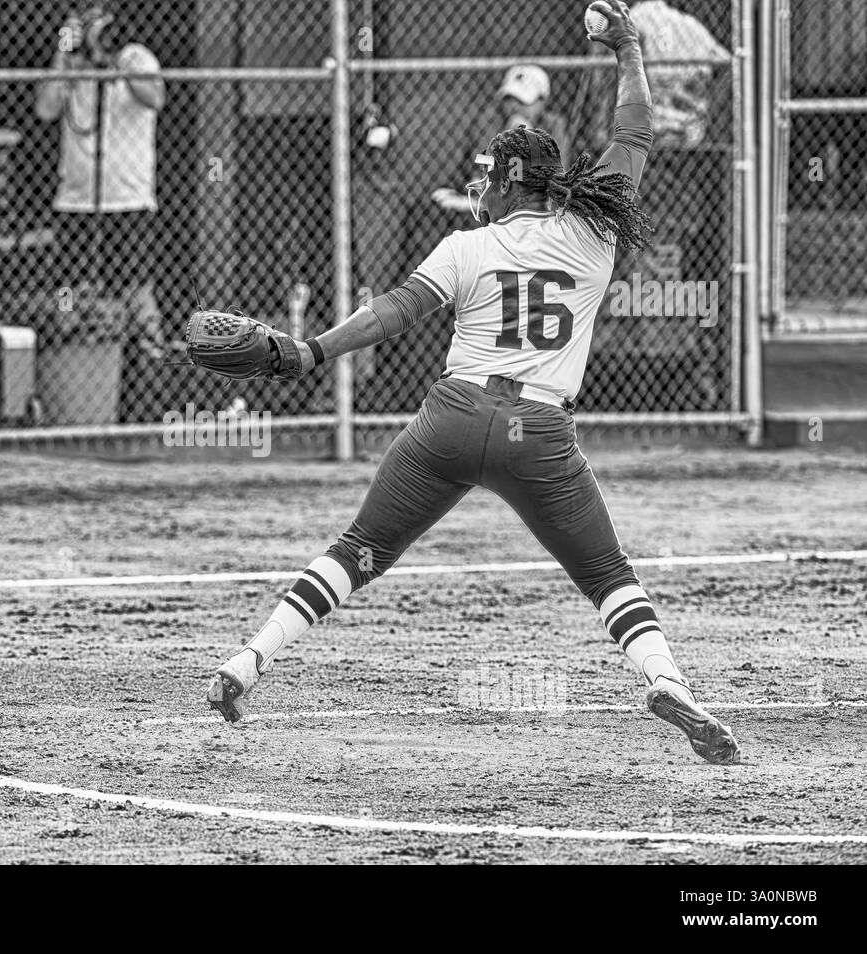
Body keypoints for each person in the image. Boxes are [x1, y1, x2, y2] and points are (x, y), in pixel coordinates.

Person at [204, 1, 740, 766]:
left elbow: (390, 314)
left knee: (360, 549)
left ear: (511, 182)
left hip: (450, 420)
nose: (481, 186)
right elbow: (634, 133)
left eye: (490, 177)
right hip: (539, 435)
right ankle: (667, 682)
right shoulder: (594, 232)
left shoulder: (468, 243)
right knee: (607, 577)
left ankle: (248, 660)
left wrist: (306, 355)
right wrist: (626, 51)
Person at [33, 4, 164, 367]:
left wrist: (115, 63)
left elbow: (156, 97)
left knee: (136, 286)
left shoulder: (135, 57)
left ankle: (152, 360)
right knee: (67, 286)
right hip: (75, 197)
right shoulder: (71, 65)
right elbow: (45, 109)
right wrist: (65, 53)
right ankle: (68, 356)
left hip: (128, 196)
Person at [431, 64, 571, 216]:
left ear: (542, 101)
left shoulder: (555, 125)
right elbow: (483, 169)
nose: (514, 107)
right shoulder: (490, 121)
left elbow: (553, 173)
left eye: (522, 101)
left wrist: (528, 138)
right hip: (490, 193)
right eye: (509, 100)